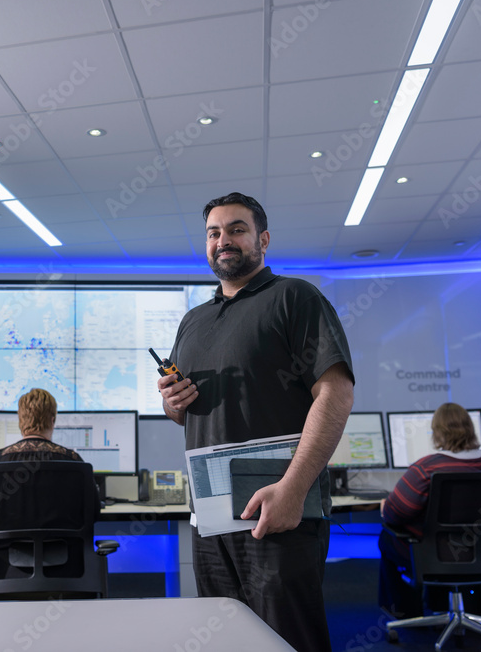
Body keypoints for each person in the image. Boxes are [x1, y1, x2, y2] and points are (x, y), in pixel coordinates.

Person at [159, 191, 354, 652]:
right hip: (211, 513)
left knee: (287, 639)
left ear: (262, 239)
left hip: (278, 507)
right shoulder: (192, 321)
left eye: (236, 229)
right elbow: (180, 414)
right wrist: (173, 403)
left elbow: (336, 392)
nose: (223, 240)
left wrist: (293, 488)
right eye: (213, 233)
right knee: (224, 638)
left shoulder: (295, 297)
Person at [378, 402, 481, 618]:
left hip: (437, 557)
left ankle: (406, 612)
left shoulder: (426, 468)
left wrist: (386, 507)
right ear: (471, 430)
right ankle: (466, 612)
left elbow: (395, 514)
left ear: (437, 434)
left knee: (387, 538)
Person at [0, 388, 100, 521]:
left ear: (20, 420)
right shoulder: (74, 461)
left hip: (9, 542)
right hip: (63, 542)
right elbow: (94, 513)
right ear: (52, 420)